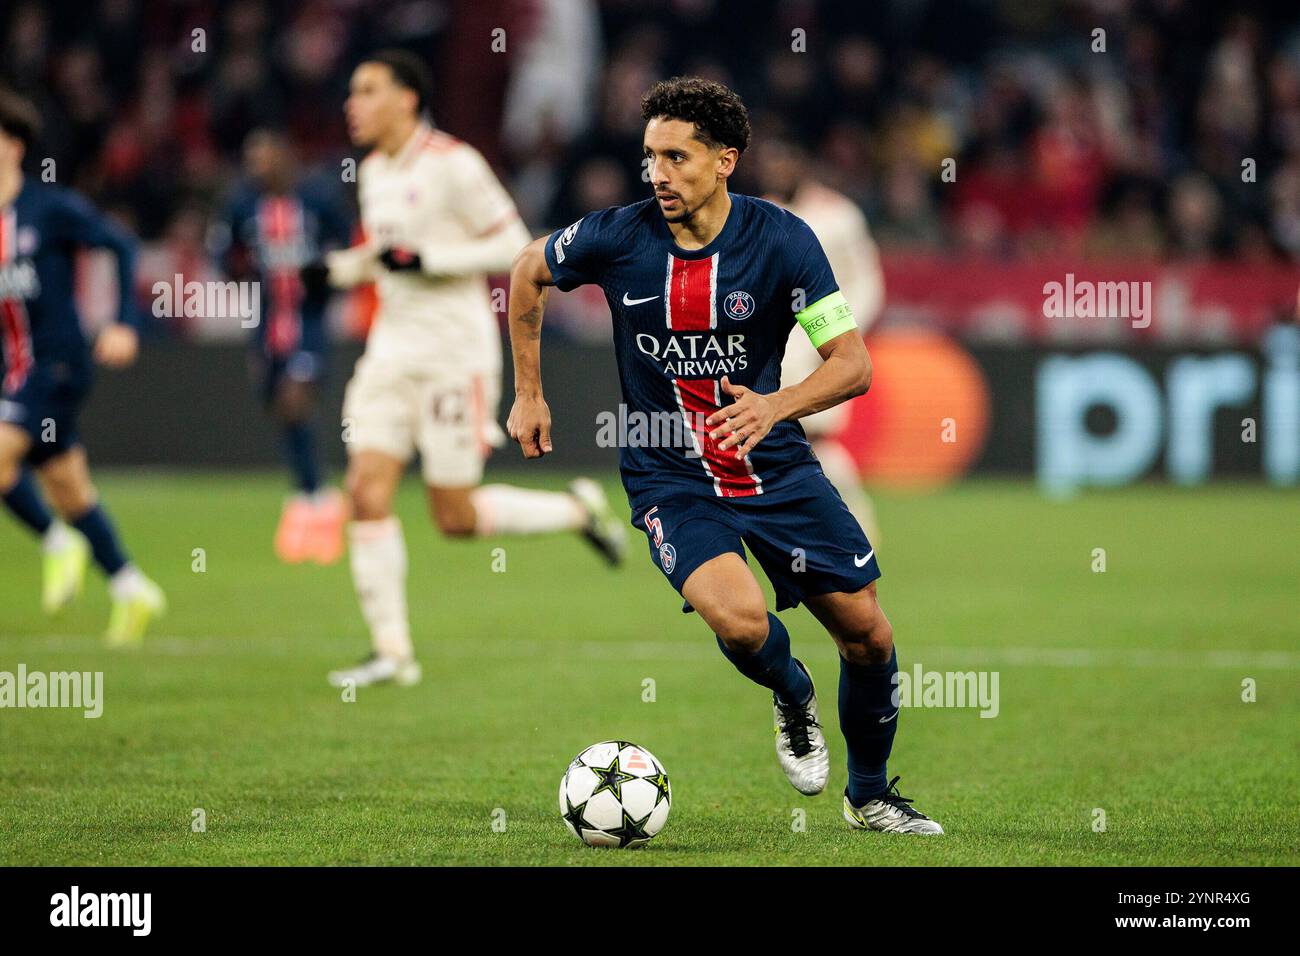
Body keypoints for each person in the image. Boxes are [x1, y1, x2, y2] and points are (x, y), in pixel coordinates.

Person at [505, 77, 942, 833]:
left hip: (770, 461)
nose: (658, 174)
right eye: (650, 157)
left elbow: (852, 364)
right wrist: (528, 394)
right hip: (666, 466)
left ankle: (869, 795)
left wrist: (774, 405)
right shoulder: (616, 236)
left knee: (869, 634)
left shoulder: (783, 239)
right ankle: (791, 691)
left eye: (676, 157)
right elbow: (526, 271)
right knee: (740, 625)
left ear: (725, 159)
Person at [321, 51, 626, 689]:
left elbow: (514, 245)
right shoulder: (373, 171)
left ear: (407, 99)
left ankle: (576, 512)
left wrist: (427, 257)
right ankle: (393, 653)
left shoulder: (454, 164)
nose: (353, 104)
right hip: (390, 351)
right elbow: (386, 255)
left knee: (453, 518)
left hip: (453, 355)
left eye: (368, 90)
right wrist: (340, 271)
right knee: (365, 492)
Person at [0, 88, 165, 646]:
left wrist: (123, 322)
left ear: (14, 145)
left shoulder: (49, 208)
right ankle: (131, 585)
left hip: (58, 364)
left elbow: (120, 245)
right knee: (71, 491)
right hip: (14, 372)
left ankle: (54, 541)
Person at [213, 129, 352, 563]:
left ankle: (312, 499)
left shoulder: (317, 196)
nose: (257, 166)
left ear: (284, 156)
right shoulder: (240, 203)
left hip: (308, 321)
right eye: (251, 158)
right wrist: (238, 274)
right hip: (266, 323)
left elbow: (346, 242)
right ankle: (313, 495)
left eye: (264, 156)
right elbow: (224, 251)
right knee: (277, 405)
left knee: (296, 400)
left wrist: (327, 279)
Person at [756, 131, 885, 542]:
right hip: (775, 341)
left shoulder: (839, 215)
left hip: (822, 339)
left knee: (812, 435)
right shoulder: (760, 213)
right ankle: (823, 522)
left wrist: (841, 334)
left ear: (802, 165)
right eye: (769, 164)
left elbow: (867, 280)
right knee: (793, 435)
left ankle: (850, 517)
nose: (776, 171)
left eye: (784, 162)